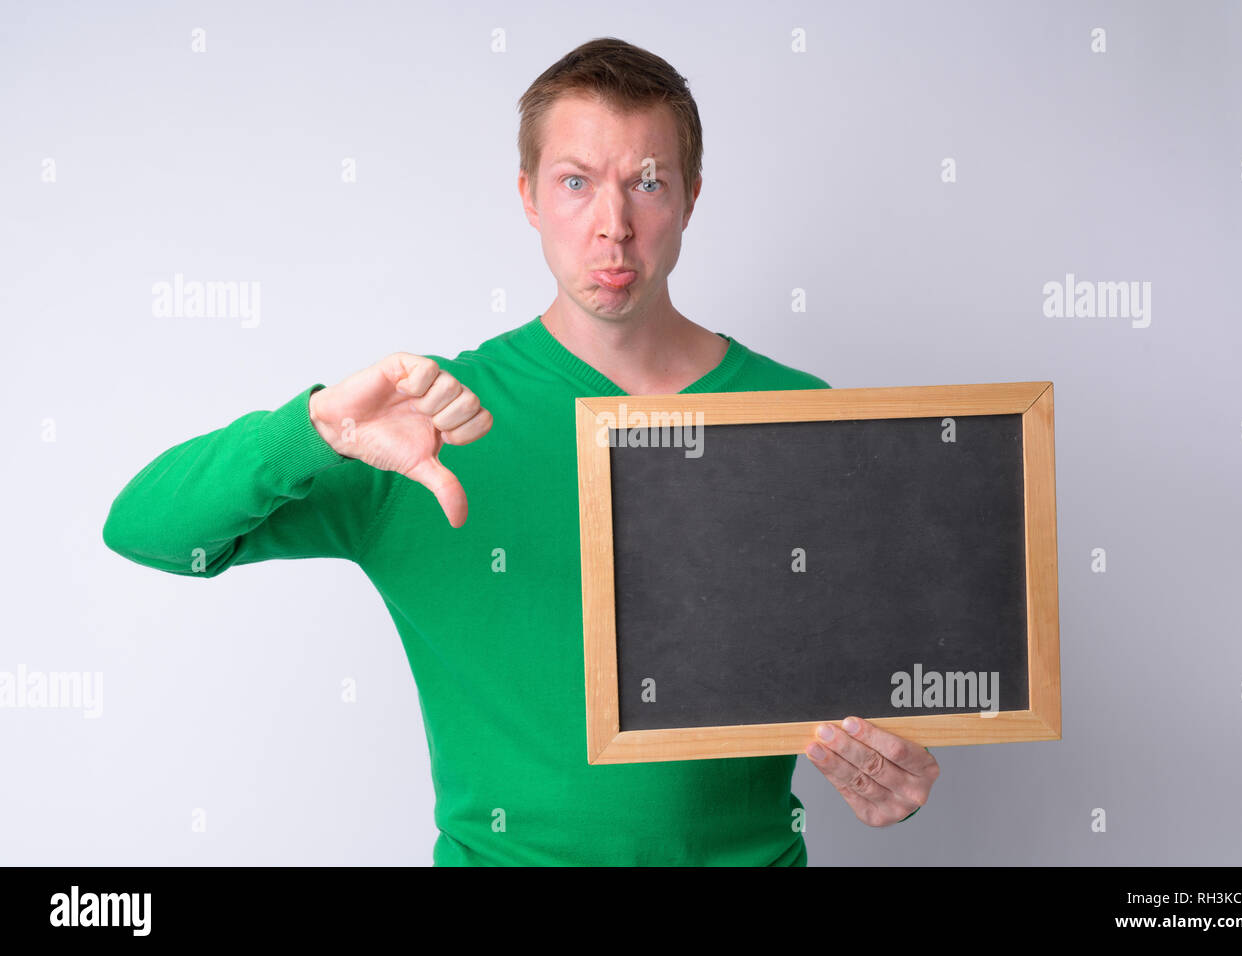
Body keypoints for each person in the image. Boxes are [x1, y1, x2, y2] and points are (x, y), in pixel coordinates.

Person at [102, 37, 939, 865]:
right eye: (576, 183)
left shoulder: (798, 415)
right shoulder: (420, 426)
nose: (613, 227)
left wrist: (890, 783)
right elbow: (145, 528)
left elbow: (867, 683)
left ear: (688, 198)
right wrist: (316, 427)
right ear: (530, 197)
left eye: (646, 182)